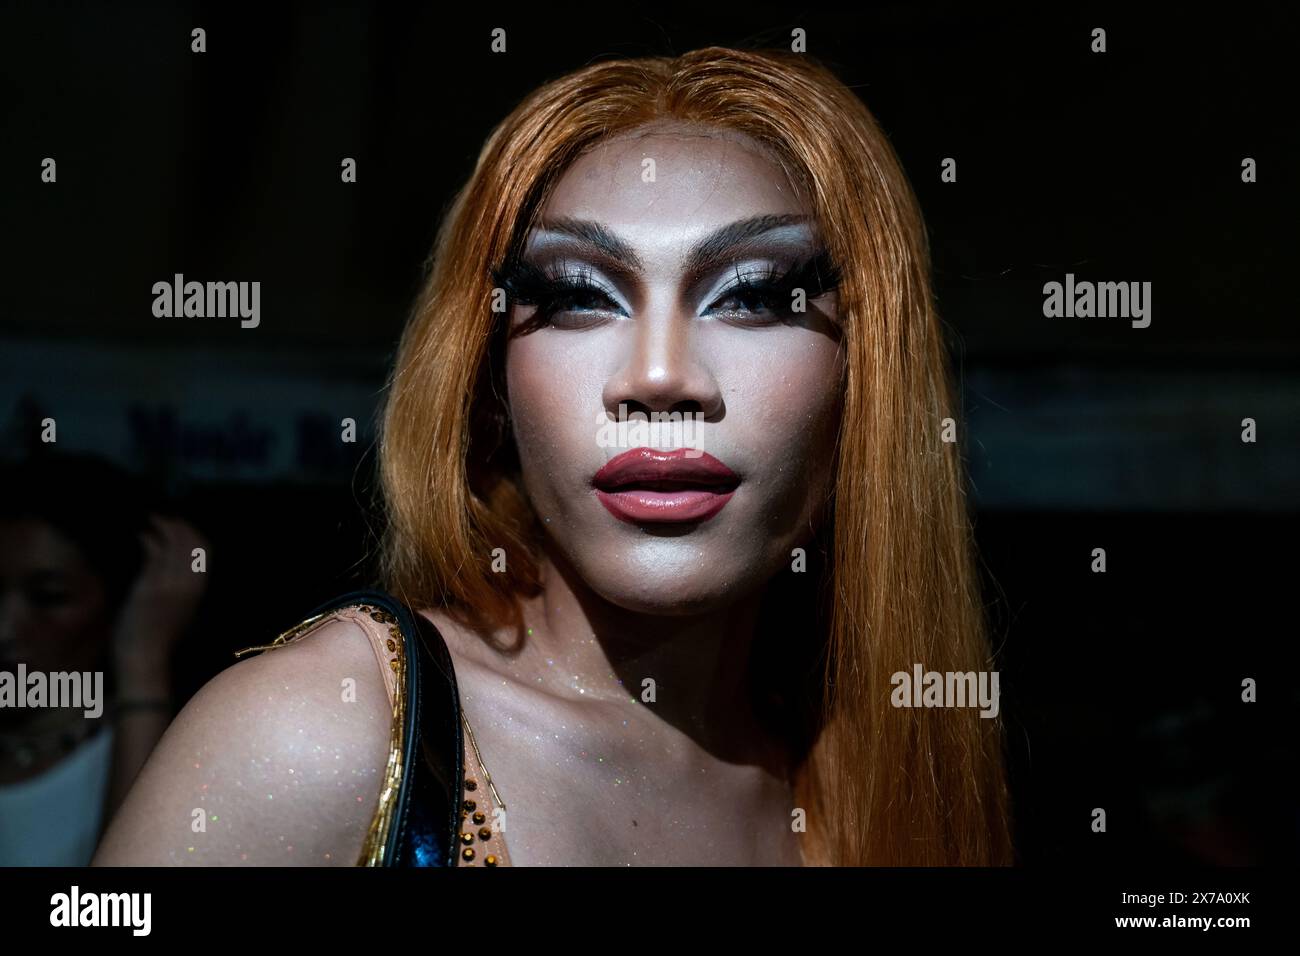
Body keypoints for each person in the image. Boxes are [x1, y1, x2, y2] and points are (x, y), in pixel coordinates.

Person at [93, 46, 1014, 867]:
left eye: (755, 297)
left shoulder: (883, 774)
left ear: (866, 377)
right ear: (490, 382)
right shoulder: (319, 734)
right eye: (577, 296)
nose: (658, 380)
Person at [0, 454, 207, 864]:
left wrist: (143, 664)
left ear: (124, 604)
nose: (4, 630)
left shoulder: (177, 756)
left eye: (49, 598)